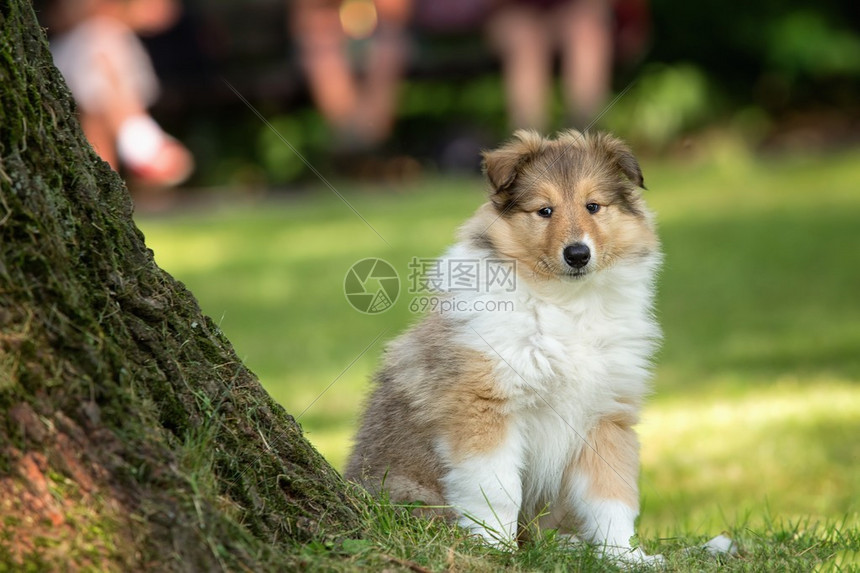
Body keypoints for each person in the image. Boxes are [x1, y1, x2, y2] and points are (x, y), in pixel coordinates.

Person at [47, 0, 194, 186]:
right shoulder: (100, 32)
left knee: (104, 104)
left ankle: (137, 147)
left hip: (106, 85)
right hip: (86, 66)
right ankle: (136, 149)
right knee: (98, 109)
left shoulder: (117, 36)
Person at [291, 0, 413, 148]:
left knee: (389, 46)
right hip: (327, 34)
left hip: (378, 33)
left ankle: (365, 132)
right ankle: (358, 132)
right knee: (322, 45)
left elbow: (396, 11)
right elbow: (308, 12)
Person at [487, 0, 615, 131]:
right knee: (527, 39)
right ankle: (528, 132)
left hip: (572, 11)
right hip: (516, 14)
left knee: (587, 28)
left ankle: (586, 123)